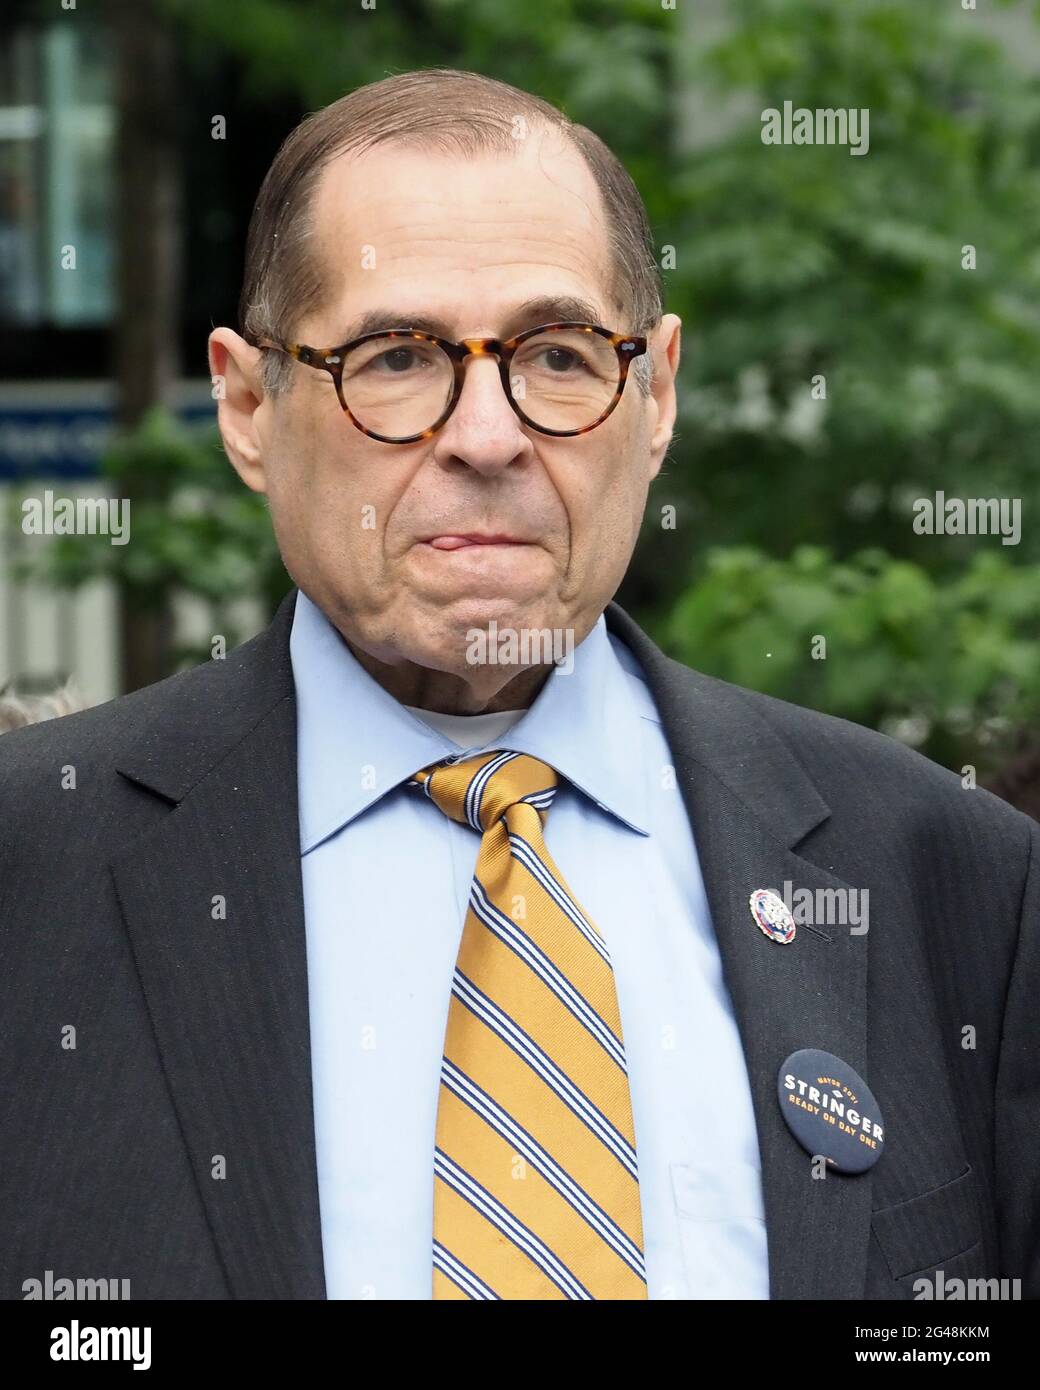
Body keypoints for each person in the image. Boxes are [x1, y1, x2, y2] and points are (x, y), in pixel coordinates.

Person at [0, 68, 1036, 1303]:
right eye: (395, 357)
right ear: (245, 407)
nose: (487, 436)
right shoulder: (31, 872)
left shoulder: (952, 881)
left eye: (554, 355)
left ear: (654, 395)